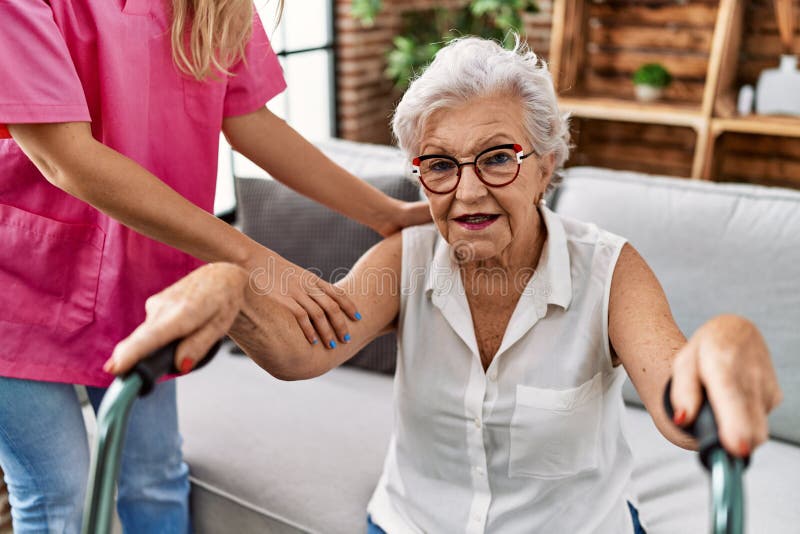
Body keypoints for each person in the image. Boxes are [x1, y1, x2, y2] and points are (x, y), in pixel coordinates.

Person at [108, 36, 783, 533]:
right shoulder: (408, 258)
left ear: (546, 166)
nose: (466, 192)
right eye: (439, 165)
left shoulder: (608, 269)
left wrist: (727, 341)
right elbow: (300, 352)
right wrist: (227, 287)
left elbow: (680, 404)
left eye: (496, 158)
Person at [0, 1, 429, 532]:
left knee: (154, 480)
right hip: (14, 282)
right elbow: (61, 155)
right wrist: (253, 258)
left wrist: (384, 212)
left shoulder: (213, 4)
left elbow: (249, 121)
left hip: (146, 284)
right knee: (56, 496)